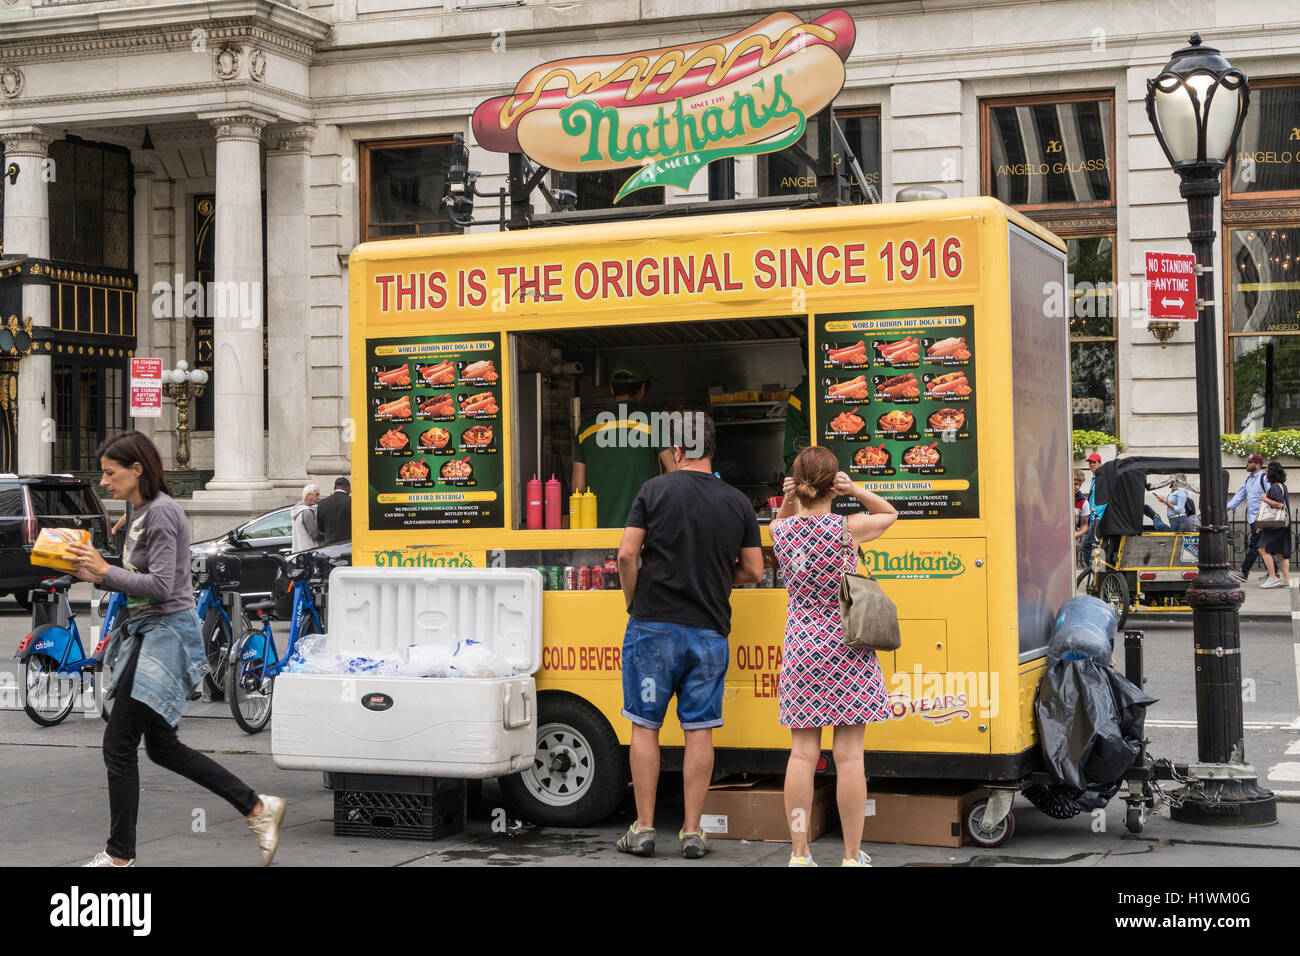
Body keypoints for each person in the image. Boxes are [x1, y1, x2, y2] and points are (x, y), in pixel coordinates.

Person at [66, 430, 285, 868]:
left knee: (118, 743)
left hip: (165, 635)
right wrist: (94, 566)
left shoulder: (163, 512)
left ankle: (119, 856)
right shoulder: (141, 510)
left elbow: (162, 586)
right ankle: (257, 808)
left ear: (137, 469)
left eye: (110, 474)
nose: (104, 482)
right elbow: (138, 579)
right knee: (161, 747)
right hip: (149, 633)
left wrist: (104, 573)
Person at [614, 411, 763, 859]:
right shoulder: (737, 501)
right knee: (699, 730)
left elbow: (626, 554)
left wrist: (633, 602)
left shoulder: (653, 490)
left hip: (652, 626)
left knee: (645, 725)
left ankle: (643, 828)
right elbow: (754, 570)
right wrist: (717, 578)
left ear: (677, 451)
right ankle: (693, 831)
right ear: (711, 450)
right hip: (709, 632)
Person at [771, 447, 897, 867]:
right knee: (849, 757)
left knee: (803, 755)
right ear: (832, 485)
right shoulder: (847, 529)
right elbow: (890, 513)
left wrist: (788, 498)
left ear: (799, 484)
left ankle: (800, 853)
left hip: (801, 647)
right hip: (848, 646)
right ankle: (849, 856)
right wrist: (855, 488)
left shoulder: (782, 533)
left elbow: (782, 521)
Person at [572, 359, 675, 527]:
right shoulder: (654, 423)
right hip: (642, 536)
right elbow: (674, 475)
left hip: (597, 537)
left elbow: (578, 488)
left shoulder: (586, 430)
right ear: (642, 388)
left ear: (612, 389)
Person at [1228, 453, 1268, 582]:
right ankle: (1273, 572)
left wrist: (1263, 520)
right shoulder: (1248, 479)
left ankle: (1244, 572)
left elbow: (1271, 496)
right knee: (1263, 547)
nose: (1247, 464)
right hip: (1253, 518)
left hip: (1261, 519)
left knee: (1255, 546)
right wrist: (1227, 508)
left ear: (1257, 464)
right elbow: (1240, 494)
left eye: (1250, 462)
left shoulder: (1264, 478)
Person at [1257, 461, 1290, 590]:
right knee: (1281, 553)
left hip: (1274, 526)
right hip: (1281, 525)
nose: (1265, 474)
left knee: (1262, 549)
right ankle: (1286, 579)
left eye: (1266, 472)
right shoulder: (1282, 486)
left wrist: (1265, 498)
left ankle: (1272, 577)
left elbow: (1280, 505)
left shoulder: (1275, 487)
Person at [315, 476, 351, 545]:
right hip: (348, 544)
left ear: (334, 488)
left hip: (329, 544)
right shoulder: (353, 502)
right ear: (348, 488)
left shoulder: (322, 503)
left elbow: (320, 527)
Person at [291, 483, 322, 553]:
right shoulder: (307, 512)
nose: (318, 498)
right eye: (316, 495)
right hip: (309, 552)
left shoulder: (296, 510)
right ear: (308, 496)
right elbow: (315, 534)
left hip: (299, 551)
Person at [1073, 469, 1090, 554]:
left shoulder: (1084, 502)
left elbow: (1084, 525)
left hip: (1071, 542)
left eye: (1080, 484)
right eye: (1075, 484)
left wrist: (1077, 534)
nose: (1078, 487)